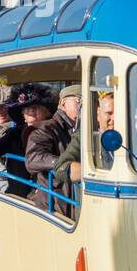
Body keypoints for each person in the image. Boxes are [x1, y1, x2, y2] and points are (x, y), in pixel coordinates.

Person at [25, 84, 82, 213]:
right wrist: (65, 166)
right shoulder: (46, 128)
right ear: (62, 103)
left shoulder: (85, 130)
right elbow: (33, 159)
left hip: (74, 203)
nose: (84, 107)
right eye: (79, 100)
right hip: (53, 205)